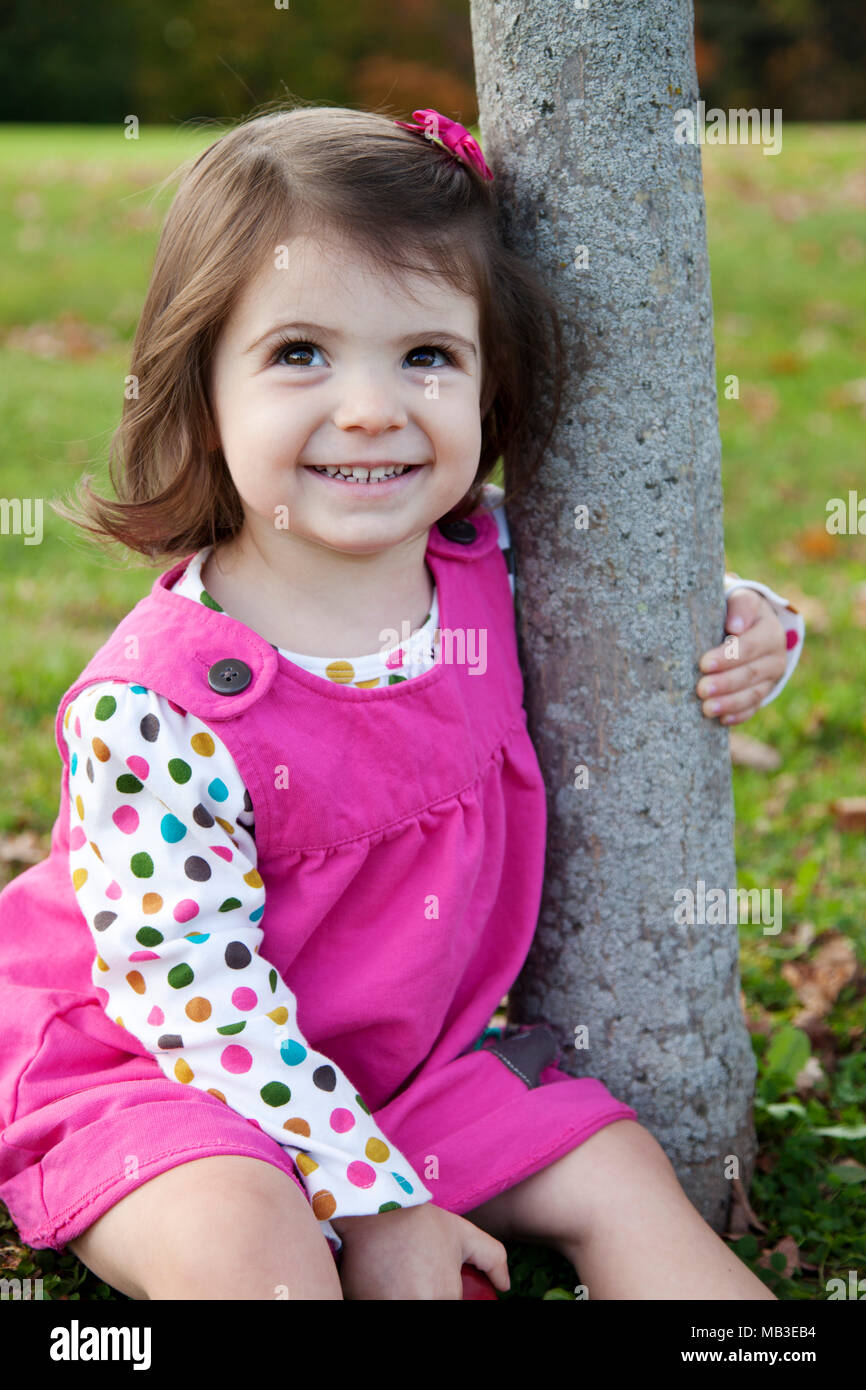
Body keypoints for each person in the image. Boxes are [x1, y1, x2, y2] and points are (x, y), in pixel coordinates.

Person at [0, 103, 804, 1301]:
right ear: (198, 385)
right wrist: (373, 1201)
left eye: (425, 354)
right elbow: (191, 995)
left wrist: (746, 622)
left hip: (412, 1070)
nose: (372, 408)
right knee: (245, 1242)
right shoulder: (159, 708)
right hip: (159, 1071)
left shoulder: (487, 567)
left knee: (621, 1175)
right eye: (299, 354)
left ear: (490, 380)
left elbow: (637, 615)